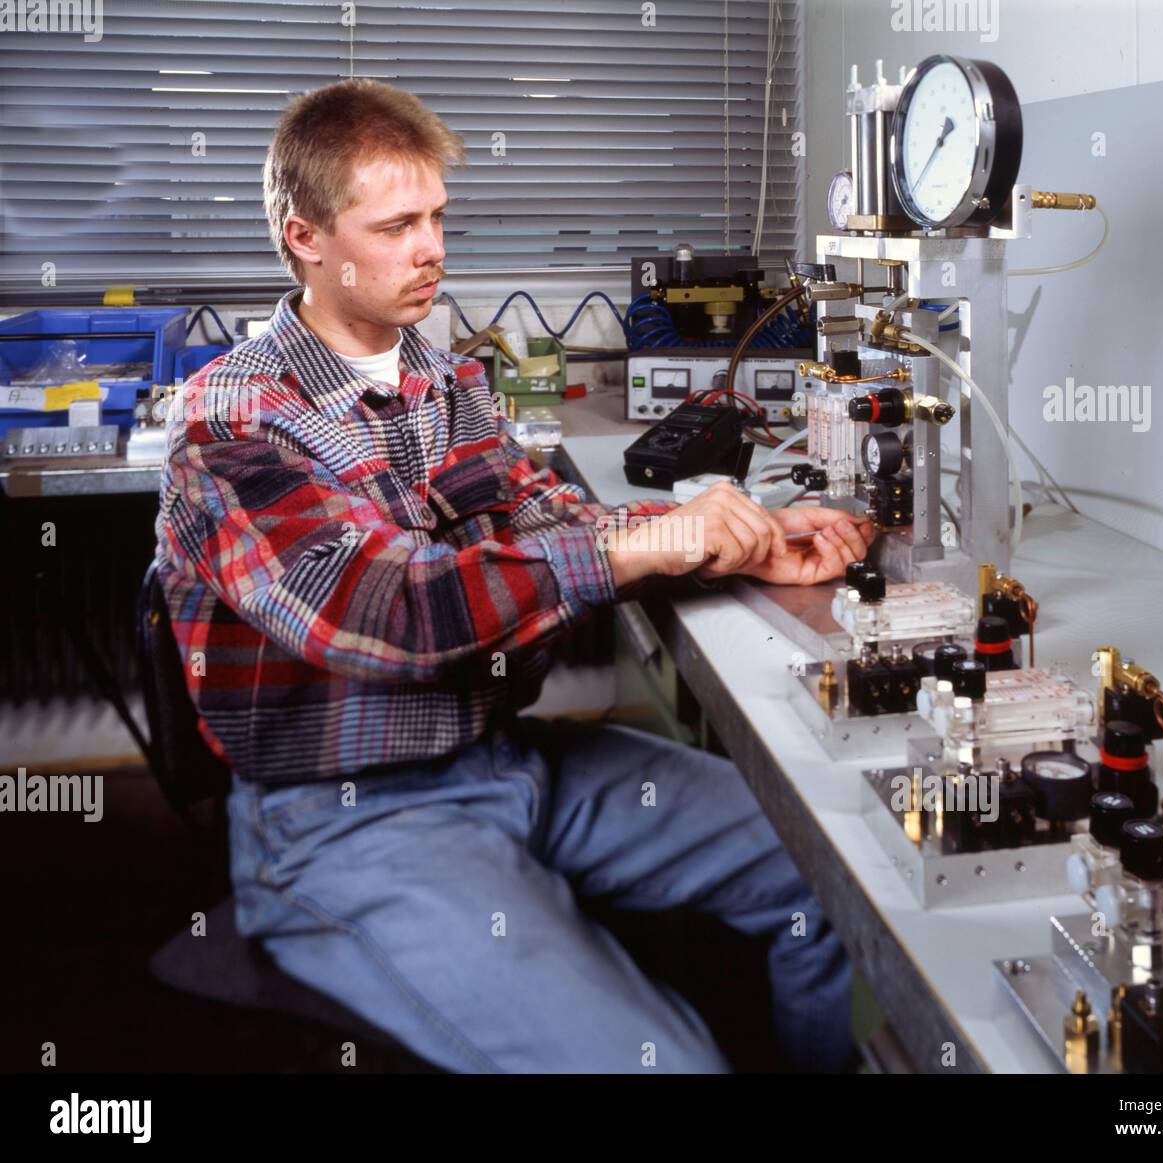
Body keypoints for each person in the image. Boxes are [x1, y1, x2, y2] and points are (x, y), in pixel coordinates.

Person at [153, 77, 875, 1073]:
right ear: (306, 236)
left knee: (835, 869)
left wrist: (730, 534)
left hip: (508, 763)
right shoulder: (229, 418)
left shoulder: (444, 384)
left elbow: (555, 527)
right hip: (346, 820)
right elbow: (393, 608)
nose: (431, 249)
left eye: (437, 216)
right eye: (397, 223)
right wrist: (646, 545)